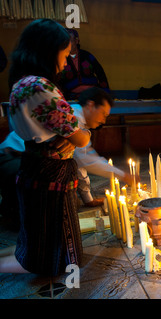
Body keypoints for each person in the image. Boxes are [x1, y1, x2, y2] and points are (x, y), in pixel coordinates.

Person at [0, 19, 91, 275]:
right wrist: (79, 132)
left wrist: (70, 134)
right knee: (58, 255)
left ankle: (30, 259)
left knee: (39, 235)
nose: (65, 62)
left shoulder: (21, 83)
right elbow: (81, 138)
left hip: (33, 166)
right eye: (63, 55)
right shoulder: (41, 87)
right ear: (48, 51)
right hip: (51, 172)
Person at [0, 87, 134, 218]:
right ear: (91, 105)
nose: (103, 121)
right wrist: (123, 175)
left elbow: (78, 161)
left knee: (68, 200)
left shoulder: (79, 121)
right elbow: (86, 160)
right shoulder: (72, 117)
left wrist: (88, 199)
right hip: (12, 159)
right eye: (104, 114)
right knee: (61, 205)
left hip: (27, 160)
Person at [58, 28, 110, 100]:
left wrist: (106, 92)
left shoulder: (87, 56)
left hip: (92, 94)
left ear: (76, 41)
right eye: (66, 41)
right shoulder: (62, 59)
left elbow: (100, 73)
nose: (68, 44)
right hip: (72, 96)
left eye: (71, 40)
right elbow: (58, 79)